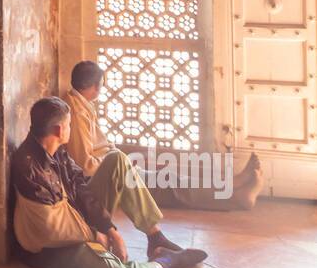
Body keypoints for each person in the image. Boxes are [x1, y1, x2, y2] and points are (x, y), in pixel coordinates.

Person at [11, 97, 208, 268]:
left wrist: (109, 229)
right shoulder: (29, 167)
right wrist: (95, 234)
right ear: (59, 130)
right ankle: (166, 261)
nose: (71, 128)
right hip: (56, 250)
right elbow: (52, 229)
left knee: (117, 159)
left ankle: (155, 237)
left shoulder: (56, 151)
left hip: (77, 222)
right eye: (69, 125)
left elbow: (80, 188)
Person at [64, 60, 264, 210]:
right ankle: (237, 197)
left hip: (115, 168)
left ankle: (234, 183)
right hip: (107, 179)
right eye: (101, 85)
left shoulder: (80, 104)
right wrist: (120, 165)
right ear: (94, 87)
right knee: (171, 186)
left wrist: (123, 162)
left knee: (168, 175)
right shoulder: (76, 113)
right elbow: (84, 165)